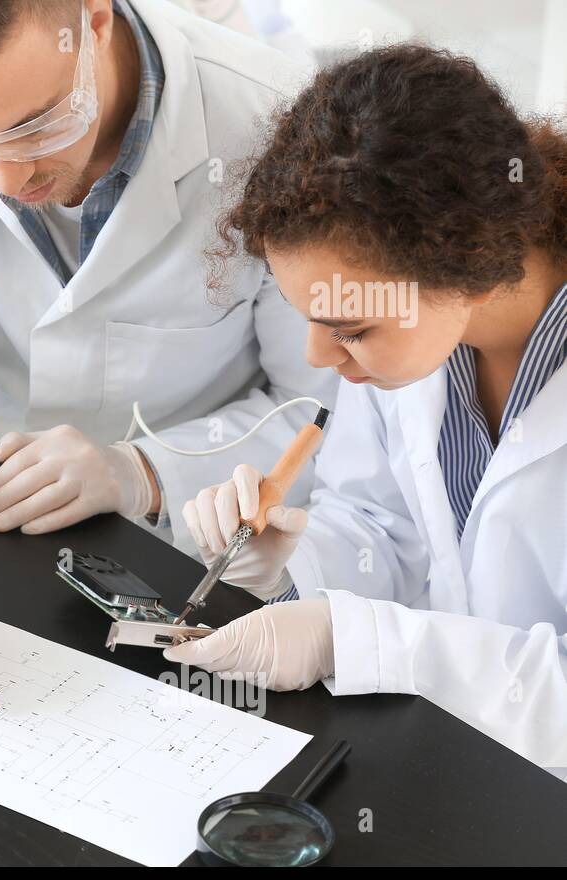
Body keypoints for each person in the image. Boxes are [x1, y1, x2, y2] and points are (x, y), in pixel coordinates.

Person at [0, 0, 334, 686]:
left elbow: (319, 413)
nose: (8, 182)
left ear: (94, 21)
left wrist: (146, 473)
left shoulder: (274, 117)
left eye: (32, 126)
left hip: (187, 539)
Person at [170, 44, 567, 777]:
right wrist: (293, 565)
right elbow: (387, 529)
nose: (320, 358)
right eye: (307, 319)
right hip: (453, 765)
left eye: (351, 328)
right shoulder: (423, 343)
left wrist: (354, 642)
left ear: (473, 266)